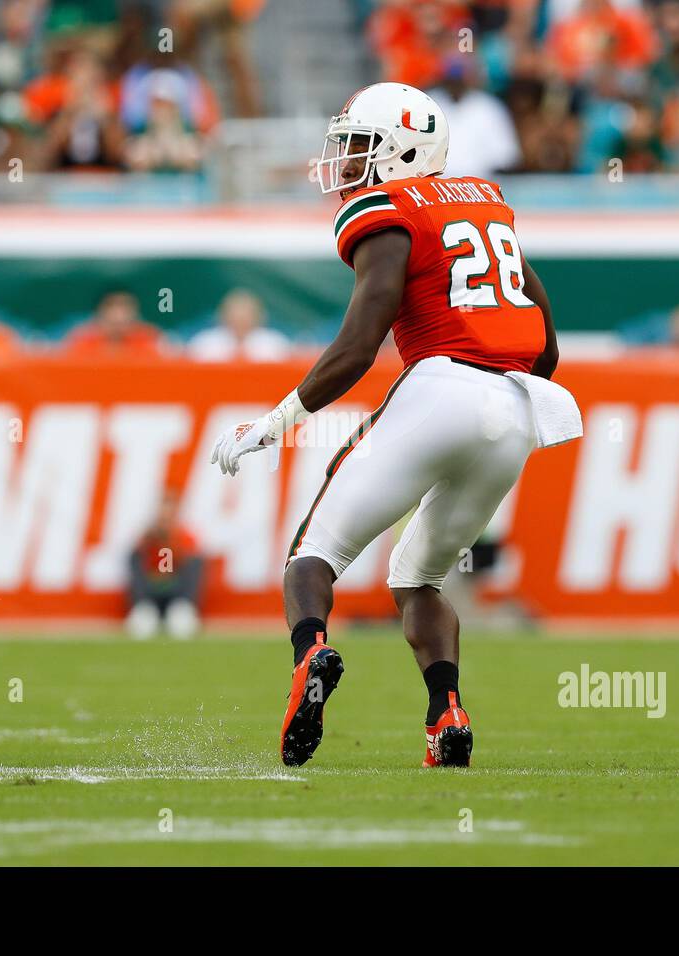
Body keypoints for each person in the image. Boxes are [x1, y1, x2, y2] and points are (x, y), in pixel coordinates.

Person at [210, 83, 578, 769]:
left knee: (313, 553)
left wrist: (279, 418)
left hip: (442, 386)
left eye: (358, 149)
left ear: (402, 151)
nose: (344, 164)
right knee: (419, 579)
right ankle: (447, 715)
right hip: (518, 407)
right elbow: (546, 341)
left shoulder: (389, 208)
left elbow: (359, 343)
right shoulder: (486, 201)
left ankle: (312, 652)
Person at [125, 492, 204, 640]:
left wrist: (173, 543)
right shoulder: (147, 537)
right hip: (151, 593)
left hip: (176, 593)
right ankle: (142, 608)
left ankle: (184, 608)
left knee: (195, 560)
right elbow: (136, 566)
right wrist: (150, 542)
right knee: (134, 556)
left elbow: (192, 566)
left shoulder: (184, 536)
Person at [186, 289, 290, 362]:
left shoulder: (275, 344)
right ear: (222, 316)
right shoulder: (204, 343)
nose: (240, 321)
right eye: (235, 315)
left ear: (259, 317)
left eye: (246, 316)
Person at [64, 290, 165, 358]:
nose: (118, 315)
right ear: (98, 312)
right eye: (110, 306)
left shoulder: (153, 341)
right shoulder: (79, 341)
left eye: (126, 307)